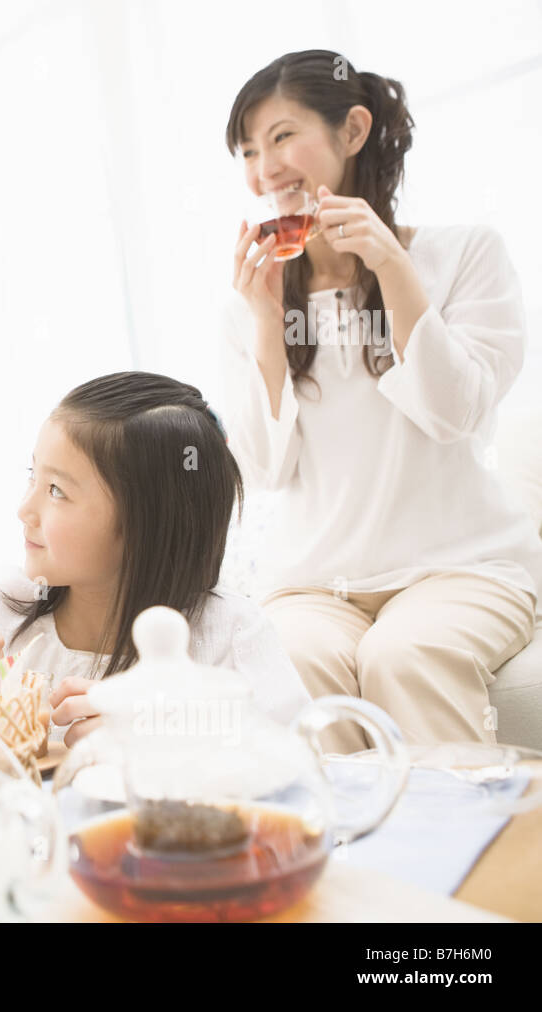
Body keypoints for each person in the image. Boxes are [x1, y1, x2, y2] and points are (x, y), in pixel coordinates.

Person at [222, 50, 542, 753]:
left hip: (458, 565)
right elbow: (264, 470)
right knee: (291, 663)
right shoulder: (254, 299)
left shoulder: (465, 256)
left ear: (354, 130)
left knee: (404, 654)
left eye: (280, 136)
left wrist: (392, 267)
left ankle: (478, 857)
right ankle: (343, 855)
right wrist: (266, 328)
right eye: (247, 149)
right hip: (314, 582)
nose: (262, 167)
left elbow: (454, 411)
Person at [0, 372, 311, 748]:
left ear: (149, 523)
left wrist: (158, 739)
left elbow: (300, 768)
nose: (25, 509)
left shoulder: (229, 638)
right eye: (32, 477)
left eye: (58, 491)